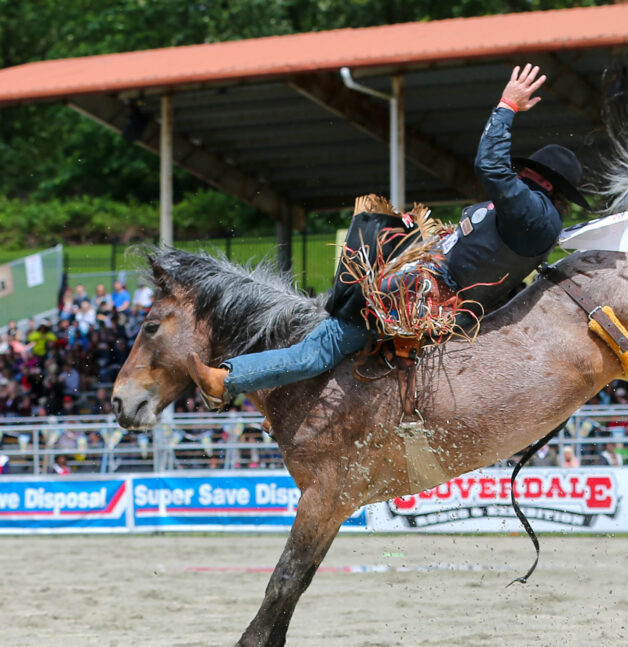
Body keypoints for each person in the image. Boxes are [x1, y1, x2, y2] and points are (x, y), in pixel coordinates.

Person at [188, 63, 591, 407]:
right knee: (347, 293)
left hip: (424, 297)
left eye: (526, 175)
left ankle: (228, 381)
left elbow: (491, 165)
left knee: (323, 345)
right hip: (432, 287)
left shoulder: (531, 213)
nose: (518, 178)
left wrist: (506, 107)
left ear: (539, 181)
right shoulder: (535, 218)